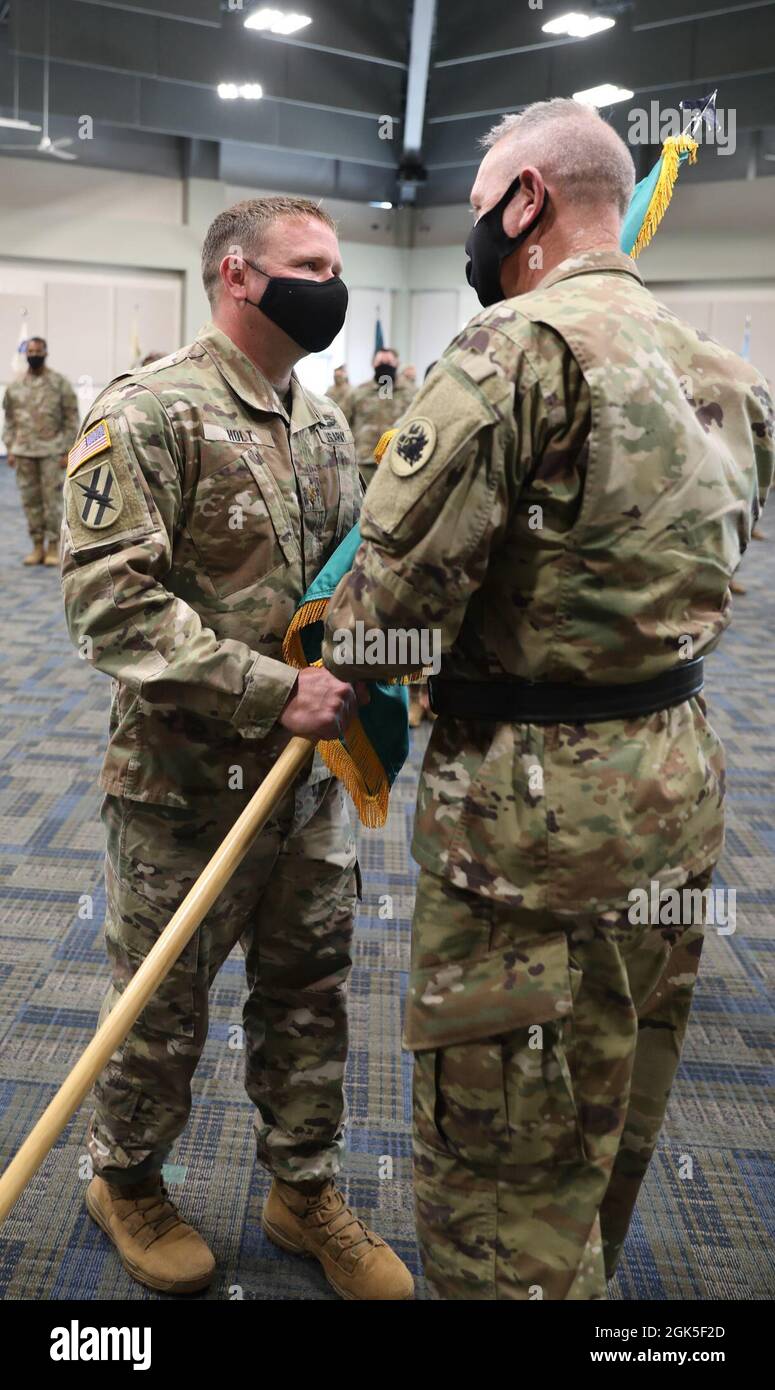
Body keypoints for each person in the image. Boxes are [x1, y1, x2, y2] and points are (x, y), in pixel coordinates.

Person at [322, 98, 774, 1299]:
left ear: (525, 202)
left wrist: (347, 653)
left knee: (503, 1187)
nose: (474, 229)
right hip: (673, 789)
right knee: (612, 1105)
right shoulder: (723, 369)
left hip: (530, 829)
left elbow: (381, 622)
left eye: (477, 206)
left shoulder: (509, 352)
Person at [60, 195, 413, 1302]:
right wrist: (272, 691)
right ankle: (126, 1178)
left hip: (304, 784)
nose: (333, 283)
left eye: (336, 263)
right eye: (310, 262)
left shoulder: (317, 423)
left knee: (310, 992)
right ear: (238, 275)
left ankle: (301, 1189)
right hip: (182, 787)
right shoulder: (148, 411)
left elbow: (341, 590)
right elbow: (111, 609)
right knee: (160, 1007)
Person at [3, 336, 80, 566]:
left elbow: (71, 418)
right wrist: (10, 447)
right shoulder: (15, 386)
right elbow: (9, 420)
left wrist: (68, 450)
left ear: (45, 353)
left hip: (52, 453)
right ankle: (37, 545)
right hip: (24, 452)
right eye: (30, 351)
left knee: (53, 502)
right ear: (25, 354)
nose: (33, 354)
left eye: (38, 351)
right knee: (30, 501)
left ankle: (53, 547)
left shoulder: (59, 383)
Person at [347, 347, 416, 487]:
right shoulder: (359, 392)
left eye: (389, 361)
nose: (385, 365)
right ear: (373, 364)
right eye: (380, 361)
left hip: (398, 461)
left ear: (397, 364)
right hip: (364, 461)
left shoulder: (411, 393)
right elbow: (343, 421)